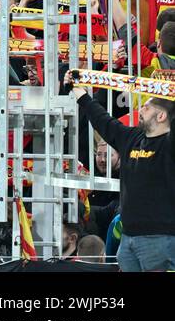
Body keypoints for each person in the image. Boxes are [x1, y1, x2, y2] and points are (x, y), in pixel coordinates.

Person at [68, 71, 175, 271]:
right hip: (128, 238)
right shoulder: (133, 138)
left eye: (147, 106)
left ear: (161, 116)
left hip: (160, 238)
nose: (141, 108)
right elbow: (103, 121)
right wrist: (80, 93)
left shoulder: (170, 144)